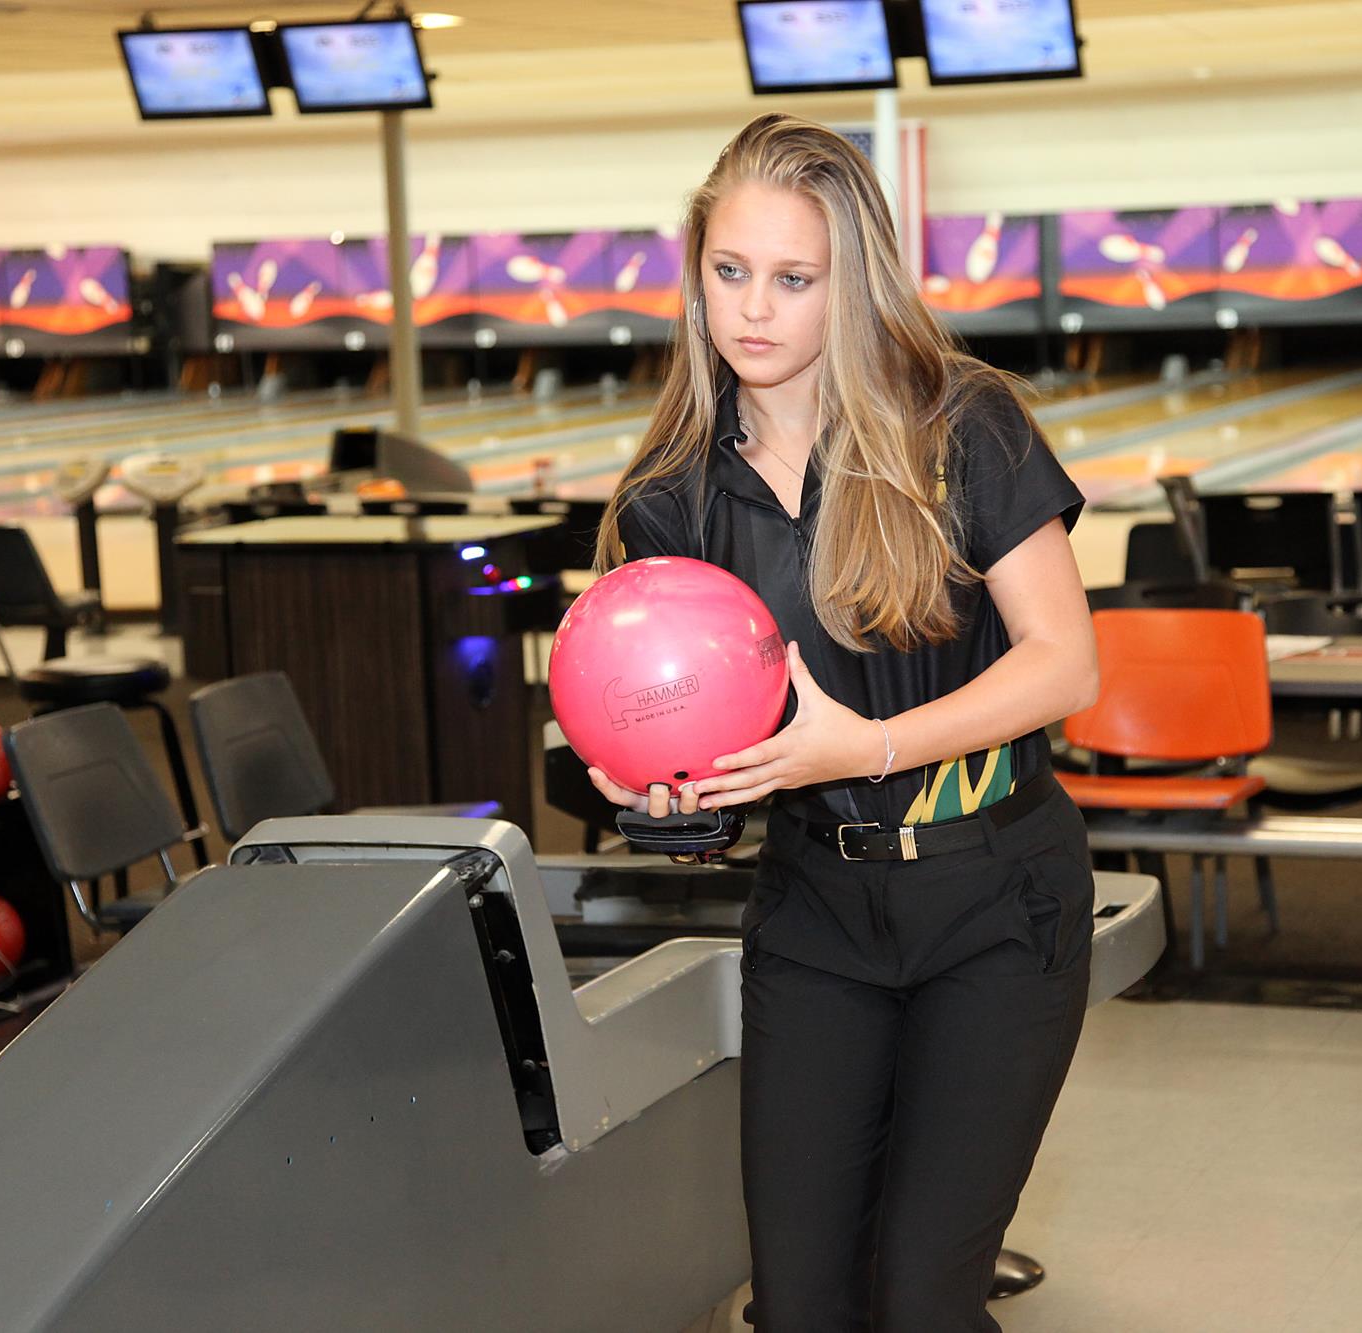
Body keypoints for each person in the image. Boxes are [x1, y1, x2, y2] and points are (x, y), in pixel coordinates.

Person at [589, 113, 1100, 1332]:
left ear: (849, 283)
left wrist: (865, 747)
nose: (752, 309)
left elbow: (1064, 662)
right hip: (815, 909)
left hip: (994, 901)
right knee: (801, 1304)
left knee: (922, 1302)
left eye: (791, 279)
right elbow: (682, 726)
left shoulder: (960, 424)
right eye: (728, 272)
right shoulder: (671, 499)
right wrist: (665, 791)